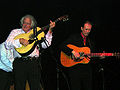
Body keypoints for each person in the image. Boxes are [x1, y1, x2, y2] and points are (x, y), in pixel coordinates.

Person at [5, 14, 55, 90]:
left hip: (33, 63)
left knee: (35, 87)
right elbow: (7, 44)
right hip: (19, 63)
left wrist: (50, 30)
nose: (25, 25)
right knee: (19, 87)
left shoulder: (36, 32)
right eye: (24, 23)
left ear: (31, 25)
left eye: (28, 23)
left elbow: (46, 44)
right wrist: (19, 41)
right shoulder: (15, 32)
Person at [60, 20, 104, 90]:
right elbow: (62, 46)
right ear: (81, 28)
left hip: (87, 70)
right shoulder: (74, 37)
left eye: (89, 30)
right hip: (75, 69)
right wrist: (72, 51)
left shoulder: (91, 42)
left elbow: (92, 58)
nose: (87, 31)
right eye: (86, 29)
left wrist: (99, 57)